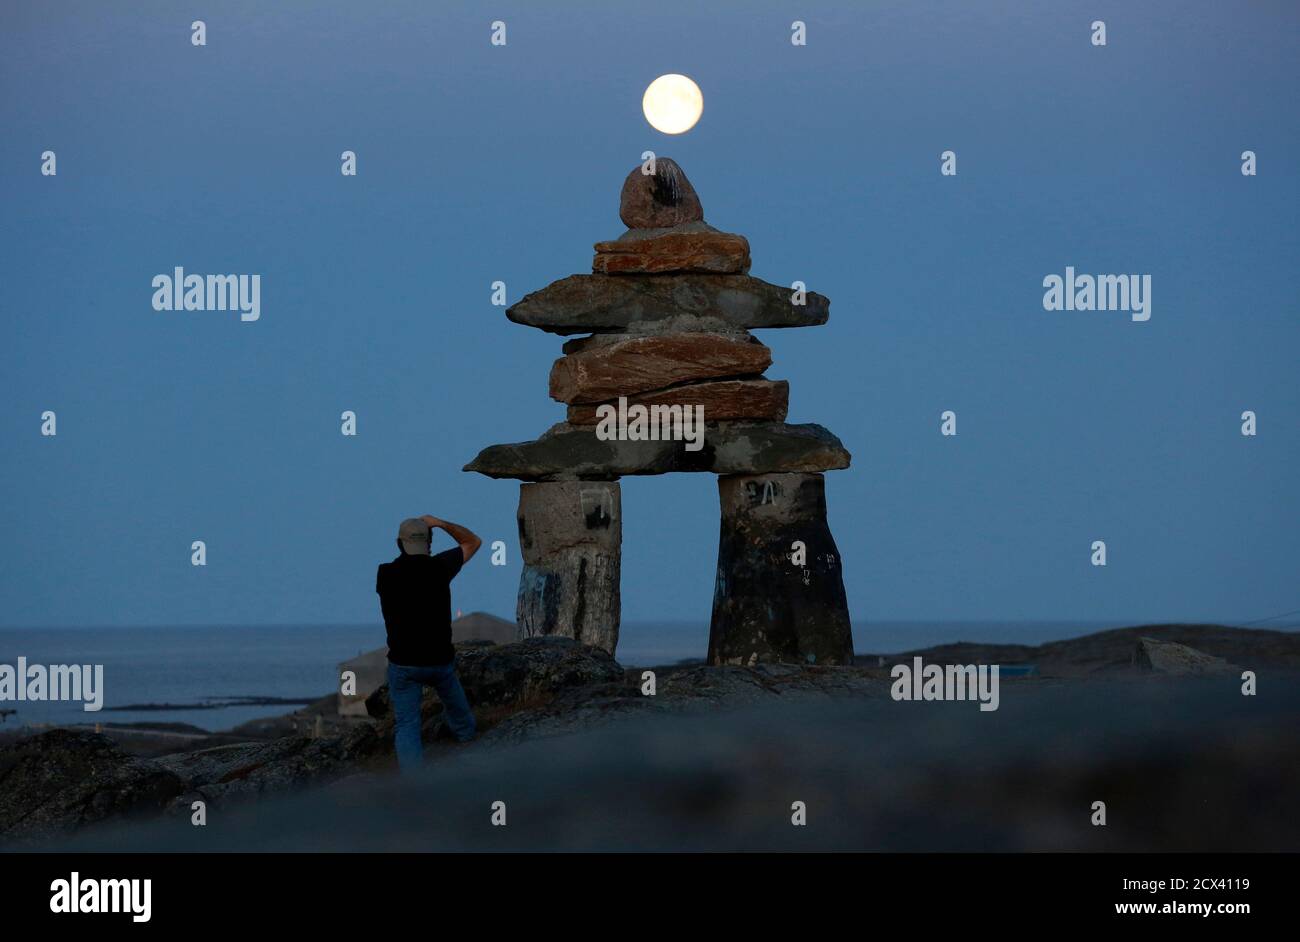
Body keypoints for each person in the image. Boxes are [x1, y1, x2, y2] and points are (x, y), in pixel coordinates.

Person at [376, 514, 482, 771]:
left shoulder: (386, 574)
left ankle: (415, 784)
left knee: (407, 725)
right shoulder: (440, 567)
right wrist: (442, 524)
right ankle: (470, 745)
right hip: (440, 660)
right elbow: (473, 542)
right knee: (460, 714)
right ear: (429, 542)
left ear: (399, 543)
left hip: (404, 663)